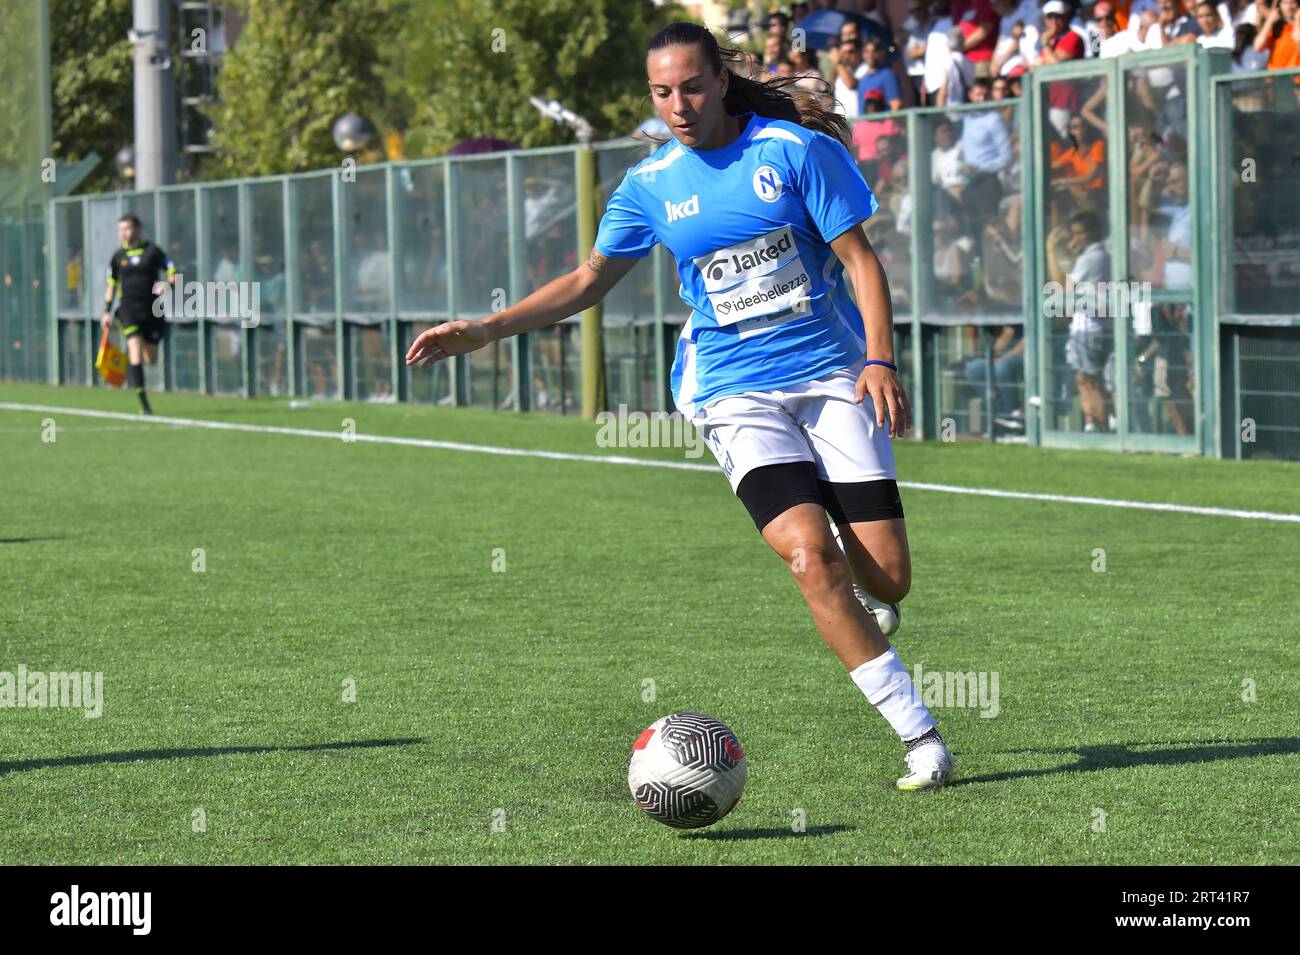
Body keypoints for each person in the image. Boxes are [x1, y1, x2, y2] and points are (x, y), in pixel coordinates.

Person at [405, 20, 955, 792]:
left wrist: (879, 359)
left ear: (721, 81)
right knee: (808, 556)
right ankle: (920, 736)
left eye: (692, 86)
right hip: (730, 388)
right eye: (663, 92)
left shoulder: (795, 153)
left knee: (890, 580)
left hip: (832, 376)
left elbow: (861, 263)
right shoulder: (650, 185)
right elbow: (589, 278)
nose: (679, 104)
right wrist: (489, 327)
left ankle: (861, 580)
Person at [100, 214, 176, 415]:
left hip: (152, 310)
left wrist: (167, 285)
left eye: (127, 228)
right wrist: (106, 312)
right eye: (120, 229)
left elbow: (172, 271)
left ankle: (144, 347)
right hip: (128, 310)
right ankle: (144, 403)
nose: (123, 233)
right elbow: (111, 285)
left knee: (150, 358)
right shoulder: (118, 257)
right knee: (133, 346)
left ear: (137, 229)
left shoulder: (152, 252)